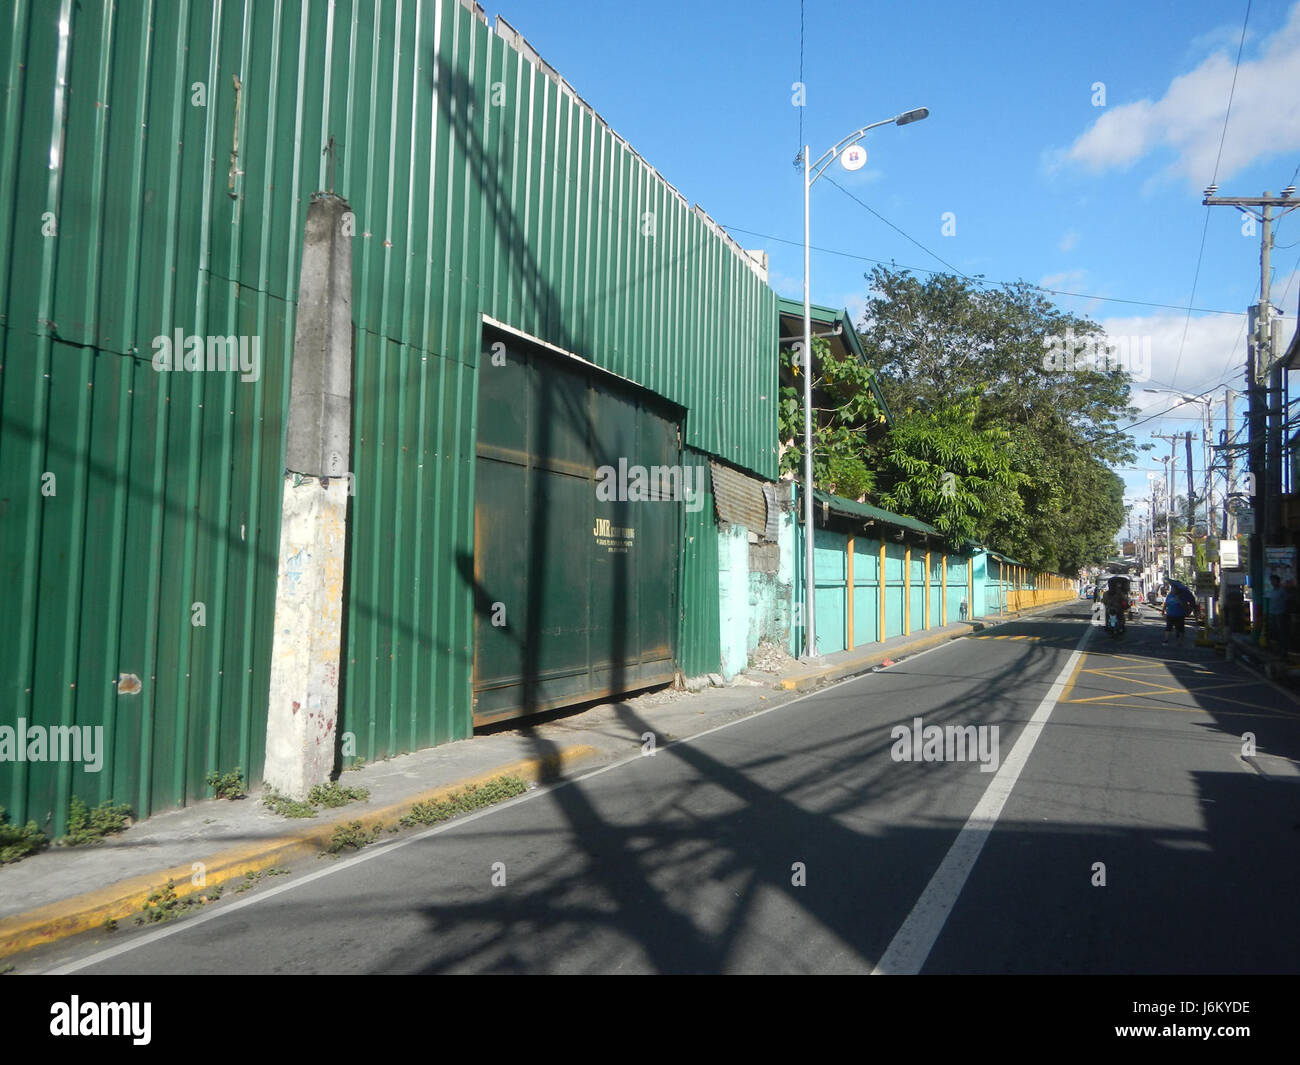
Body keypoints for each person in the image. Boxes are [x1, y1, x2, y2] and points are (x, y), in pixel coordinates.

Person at [1266, 575, 1289, 655]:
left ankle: (1283, 649)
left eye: (1273, 581)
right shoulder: (1272, 591)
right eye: (1271, 581)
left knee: (1281, 632)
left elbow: (1287, 601)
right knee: (1274, 632)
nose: (1272, 582)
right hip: (1272, 613)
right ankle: (1276, 649)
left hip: (1280, 613)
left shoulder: (1282, 591)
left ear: (1277, 581)